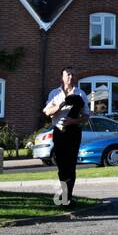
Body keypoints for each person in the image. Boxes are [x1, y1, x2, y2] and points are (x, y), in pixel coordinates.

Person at [43, 68, 88, 206]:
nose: (71, 76)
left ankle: (67, 197)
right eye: (68, 74)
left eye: (73, 74)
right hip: (59, 131)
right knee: (61, 165)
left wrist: (73, 121)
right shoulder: (54, 93)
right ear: (61, 77)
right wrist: (61, 105)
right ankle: (65, 194)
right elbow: (47, 112)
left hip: (73, 132)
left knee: (71, 164)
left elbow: (86, 116)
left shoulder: (80, 93)